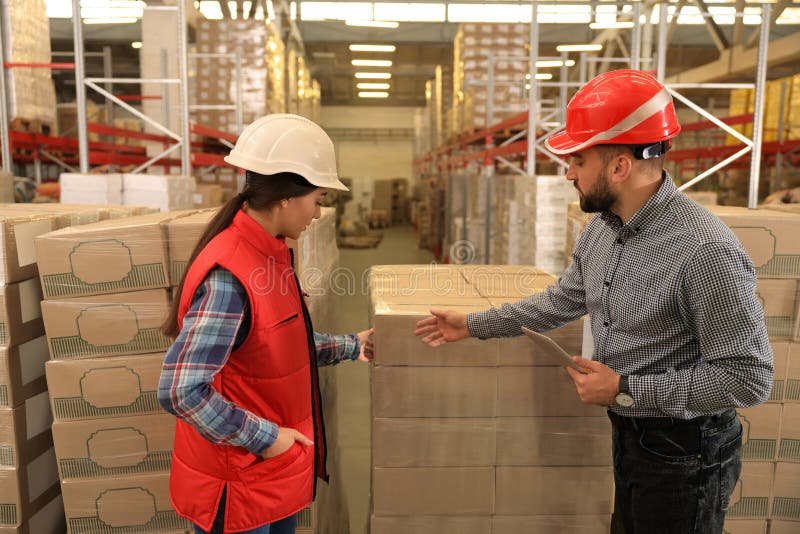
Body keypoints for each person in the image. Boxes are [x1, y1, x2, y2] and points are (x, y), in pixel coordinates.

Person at [415, 70, 773, 534]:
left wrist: (625, 389)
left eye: (578, 160)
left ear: (620, 166)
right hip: (632, 436)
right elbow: (563, 299)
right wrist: (474, 324)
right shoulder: (604, 229)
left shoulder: (704, 252)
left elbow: (748, 377)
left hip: (688, 452)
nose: (568, 173)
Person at [158, 114, 373, 534]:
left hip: (270, 477)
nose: (318, 213)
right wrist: (266, 438)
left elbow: (277, 346)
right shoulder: (230, 275)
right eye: (318, 198)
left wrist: (353, 345)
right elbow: (181, 390)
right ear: (287, 197)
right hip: (239, 484)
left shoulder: (270, 254)